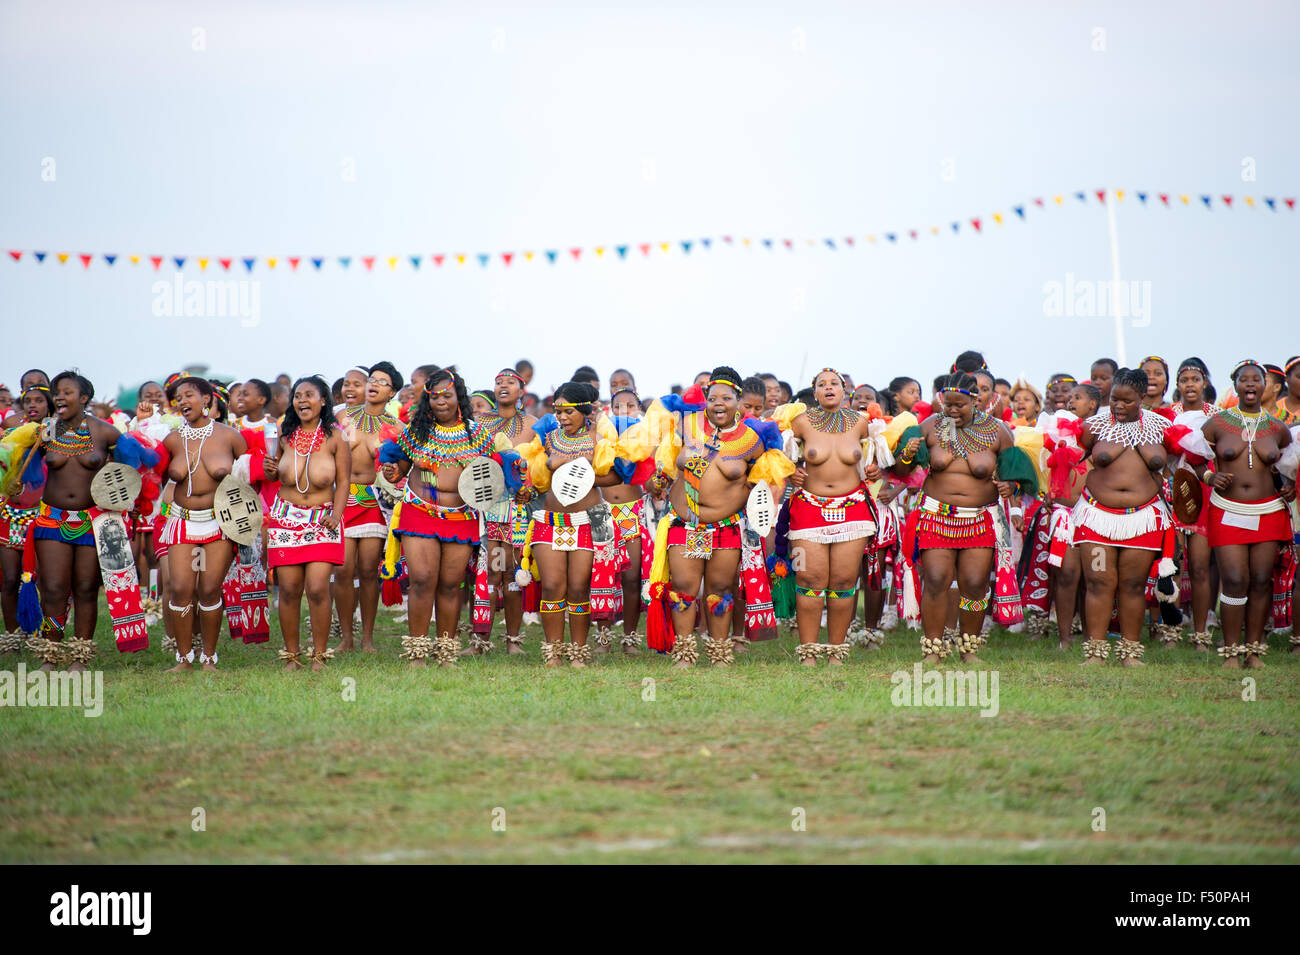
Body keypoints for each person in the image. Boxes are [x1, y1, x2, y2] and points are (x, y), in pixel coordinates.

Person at [644, 367, 793, 668]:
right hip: (683, 523)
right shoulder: (685, 425)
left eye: (726, 397)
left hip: (726, 527)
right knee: (684, 587)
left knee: (721, 590)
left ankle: (720, 653)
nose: (719, 403)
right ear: (706, 400)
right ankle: (684, 654)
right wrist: (658, 482)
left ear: (738, 401)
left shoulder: (754, 439)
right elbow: (663, 470)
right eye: (712, 398)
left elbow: (763, 485)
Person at [893, 372, 1030, 663]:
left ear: (975, 400)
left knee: (975, 582)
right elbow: (902, 470)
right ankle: (933, 649)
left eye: (960, 405)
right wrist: (907, 453)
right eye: (948, 405)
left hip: (979, 518)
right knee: (936, 579)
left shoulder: (999, 431)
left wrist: (1011, 486)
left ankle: (969, 650)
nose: (953, 411)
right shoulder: (929, 427)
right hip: (936, 516)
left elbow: (1015, 477)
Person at [27, 372, 149, 670]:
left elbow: (132, 470)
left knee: (85, 587)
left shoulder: (107, 432)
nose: (59, 397)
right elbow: (24, 469)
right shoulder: (44, 431)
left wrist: (128, 502)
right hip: (51, 521)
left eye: (67, 392)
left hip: (93, 522)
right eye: (56, 392)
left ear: (84, 399)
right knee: (54, 587)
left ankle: (80, 656)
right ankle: (50, 654)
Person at [380, 369, 495, 667]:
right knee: (421, 580)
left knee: (450, 583)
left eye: (448, 395)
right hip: (419, 512)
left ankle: (446, 652)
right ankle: (417, 652)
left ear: (459, 398)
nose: (441, 401)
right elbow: (399, 470)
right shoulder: (415, 431)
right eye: (435, 396)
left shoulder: (477, 433)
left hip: (461, 516)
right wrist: (392, 471)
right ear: (427, 400)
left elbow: (489, 478)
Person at [516, 382, 631, 667]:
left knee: (579, 588)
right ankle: (553, 653)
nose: (562, 417)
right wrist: (527, 489)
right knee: (553, 585)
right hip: (551, 520)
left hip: (588, 521)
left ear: (585, 410)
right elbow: (540, 481)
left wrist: (583, 474)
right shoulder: (548, 438)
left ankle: (578, 651)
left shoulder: (600, 439)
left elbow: (617, 476)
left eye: (568, 411)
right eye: (558, 411)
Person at [778, 369, 884, 665]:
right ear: (814, 393)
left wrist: (876, 471)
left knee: (843, 580)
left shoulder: (863, 423)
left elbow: (878, 459)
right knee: (810, 578)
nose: (828, 388)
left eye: (834, 384)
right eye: (821, 385)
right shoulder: (799, 421)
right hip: (808, 508)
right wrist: (791, 471)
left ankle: (837, 652)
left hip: (853, 509)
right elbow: (776, 455)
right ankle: (809, 652)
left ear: (844, 390)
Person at [1072, 367, 1174, 666]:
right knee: (1099, 582)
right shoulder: (1093, 426)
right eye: (1114, 399)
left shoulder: (1163, 426)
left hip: (1142, 518)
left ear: (1142, 398)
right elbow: (1071, 461)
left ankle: (1130, 652)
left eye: (1127, 401)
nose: (1118, 405)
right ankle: (1096, 653)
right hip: (1097, 518)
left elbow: (1176, 467)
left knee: (1132, 584)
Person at [1200, 361, 1294, 668]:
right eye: (1244, 380)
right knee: (1234, 579)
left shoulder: (1279, 428)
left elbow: (1288, 470)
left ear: (1267, 385)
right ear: (1235, 385)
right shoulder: (1216, 424)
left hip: (1268, 512)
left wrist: (1291, 488)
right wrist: (1210, 478)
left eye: (1257, 380)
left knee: (1260, 580)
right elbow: (1192, 461)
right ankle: (1230, 651)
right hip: (1228, 511)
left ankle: (1254, 651)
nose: (1251, 385)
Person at [158, 376, 248, 671]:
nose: (182, 401)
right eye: (178, 398)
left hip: (217, 522)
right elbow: (151, 479)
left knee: (209, 589)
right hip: (182, 521)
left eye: (188, 395)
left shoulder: (230, 436)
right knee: (181, 587)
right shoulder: (171, 440)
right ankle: (184, 657)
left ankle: (209, 656)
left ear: (207, 398)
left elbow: (248, 480)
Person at [469, 368, 537, 655]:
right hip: (483, 506)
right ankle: (480, 640)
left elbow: (538, 467)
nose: (503, 386)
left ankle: (512, 641)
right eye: (498, 383)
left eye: (510, 382)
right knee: (487, 574)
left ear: (521, 390)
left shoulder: (534, 424)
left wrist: (529, 490)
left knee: (510, 573)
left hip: (517, 509)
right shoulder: (478, 423)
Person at [336, 362, 401, 653]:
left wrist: (393, 475)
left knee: (368, 571)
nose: (374, 384)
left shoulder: (398, 428)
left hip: (375, 502)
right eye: (371, 379)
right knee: (344, 570)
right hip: (342, 498)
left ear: (392, 392)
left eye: (382, 382)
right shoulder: (341, 418)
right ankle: (346, 637)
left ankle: (367, 639)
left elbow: (401, 471)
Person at [1167, 358, 1217, 650]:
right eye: (1184, 380)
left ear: (1205, 384)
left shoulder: (1217, 416)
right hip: (1172, 492)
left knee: (1199, 567)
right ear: (1178, 385)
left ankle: (1200, 634)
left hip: (1204, 493)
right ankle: (1171, 632)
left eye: (1195, 380)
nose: (1190, 385)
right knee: (1170, 567)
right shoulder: (1167, 415)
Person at [0, 384, 54, 641]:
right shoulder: (11, 434)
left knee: (42, 579)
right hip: (10, 514)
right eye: (28, 401)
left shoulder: (59, 436)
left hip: (43, 515)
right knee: (10, 579)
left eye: (39, 401)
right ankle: (12, 637)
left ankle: (41, 635)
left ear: (50, 405)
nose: (32, 405)